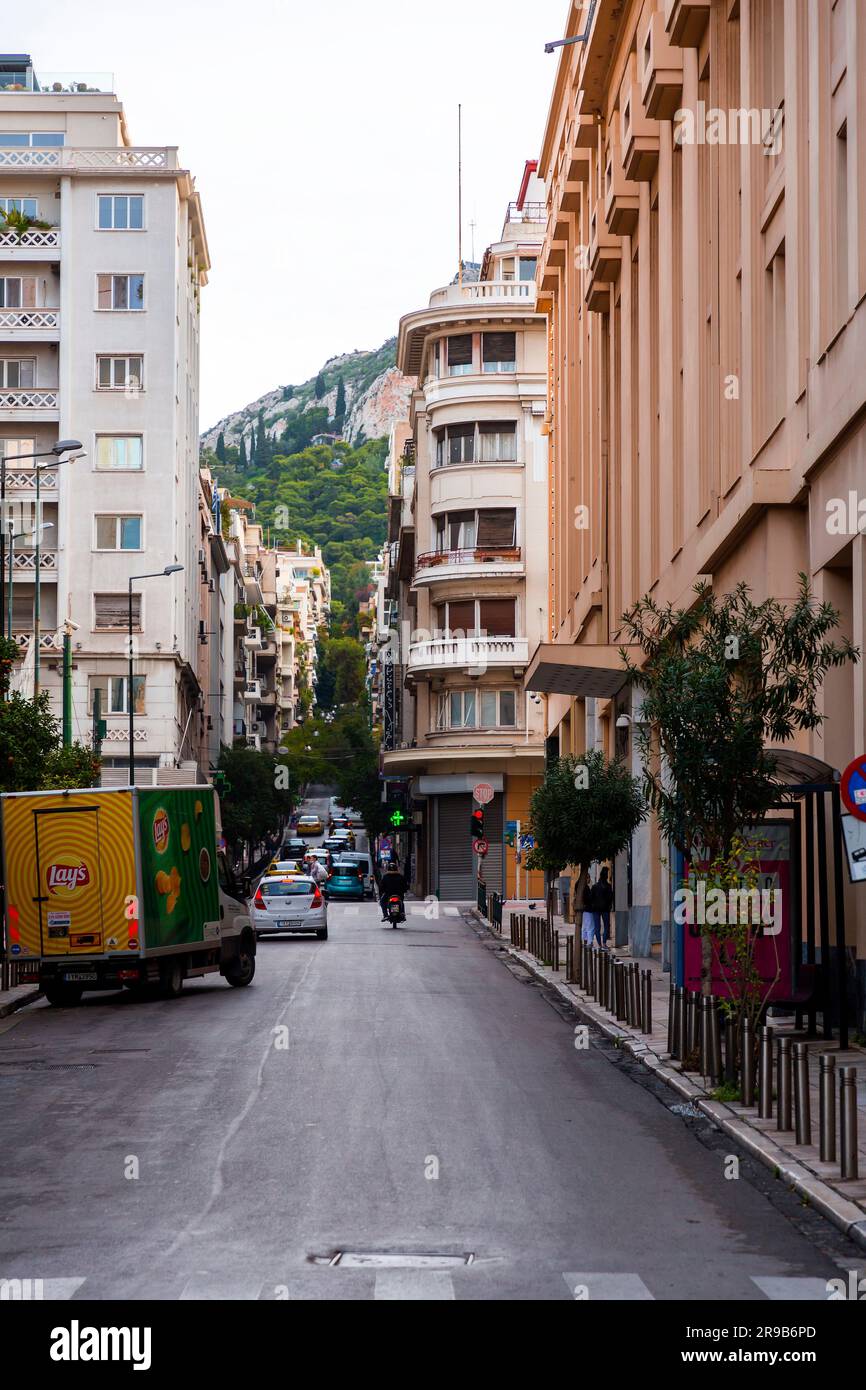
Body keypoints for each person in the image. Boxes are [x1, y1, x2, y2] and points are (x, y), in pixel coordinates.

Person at [591, 866, 614, 947]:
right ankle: (604, 943)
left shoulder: (595, 886)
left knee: (597, 927)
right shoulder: (608, 886)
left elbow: (591, 898)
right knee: (606, 926)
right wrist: (609, 906)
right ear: (606, 876)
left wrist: (593, 905)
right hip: (605, 909)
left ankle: (599, 944)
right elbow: (611, 898)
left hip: (596, 909)